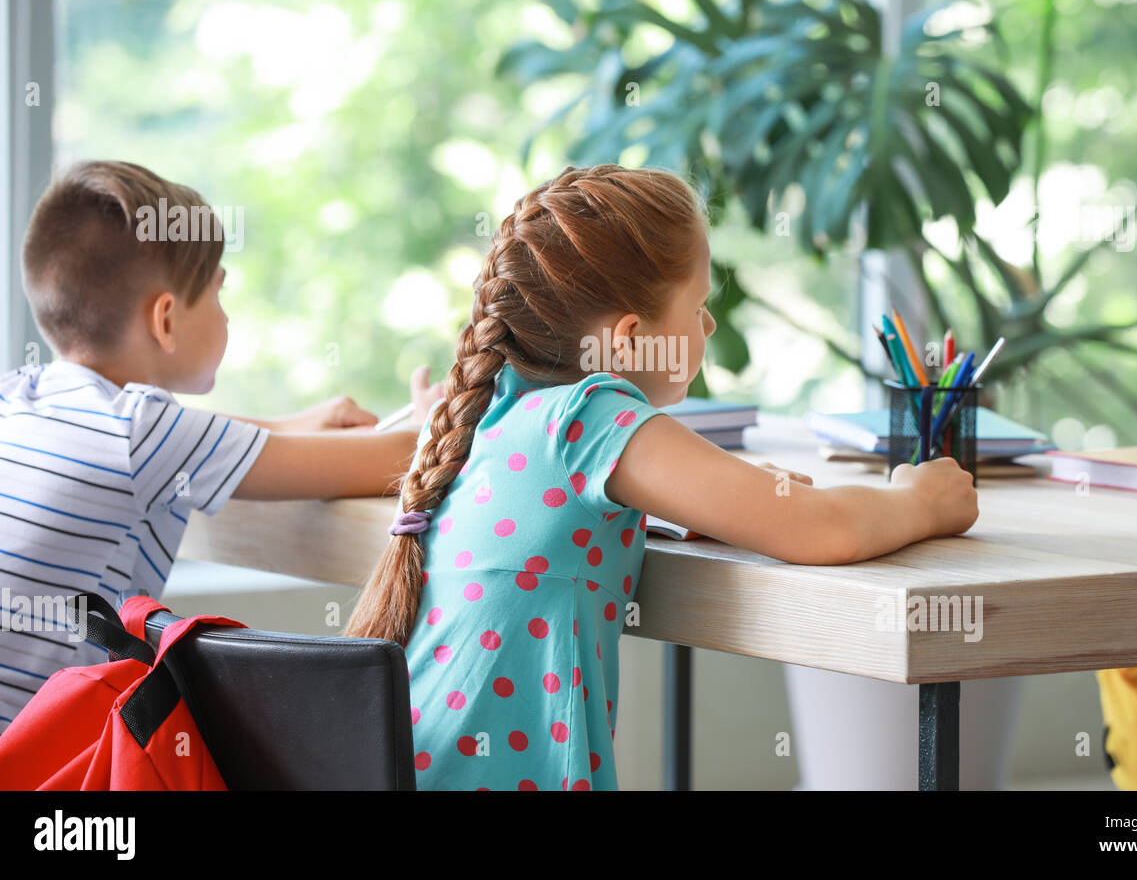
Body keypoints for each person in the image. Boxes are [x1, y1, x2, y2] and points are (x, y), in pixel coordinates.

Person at [345, 163, 978, 790]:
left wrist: (706, 499)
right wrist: (920, 499)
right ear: (628, 340)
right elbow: (821, 530)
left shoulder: (480, 414)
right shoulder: (588, 417)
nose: (707, 326)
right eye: (699, 306)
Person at [0, 160, 443, 751]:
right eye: (219, 294)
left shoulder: (11, 396)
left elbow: (187, 432)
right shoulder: (144, 435)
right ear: (166, 319)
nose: (226, 318)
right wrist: (437, 416)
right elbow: (393, 456)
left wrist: (299, 424)